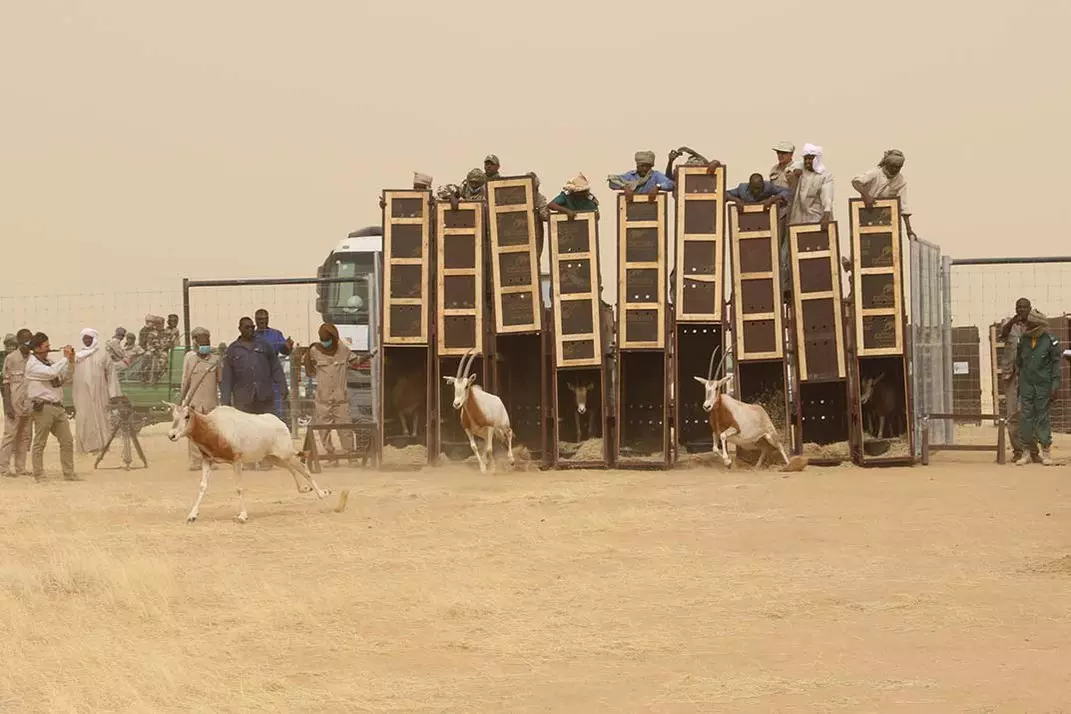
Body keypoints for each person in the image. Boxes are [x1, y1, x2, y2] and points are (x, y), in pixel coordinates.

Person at [24, 333, 79, 481]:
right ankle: (39, 474)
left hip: (57, 406)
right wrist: (65, 358)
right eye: (46, 346)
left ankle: (69, 473)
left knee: (67, 440)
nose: (49, 349)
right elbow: (52, 373)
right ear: (37, 348)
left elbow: (66, 378)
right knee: (40, 442)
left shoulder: (49, 362)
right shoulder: (32, 365)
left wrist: (71, 362)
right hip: (43, 407)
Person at [1015, 309, 1060, 466]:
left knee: (1042, 418)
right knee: (1026, 418)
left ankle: (1046, 452)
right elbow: (1019, 364)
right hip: (1027, 385)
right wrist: (1020, 385)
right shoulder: (1023, 341)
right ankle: (1026, 452)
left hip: (1044, 386)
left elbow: (1055, 366)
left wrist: (1054, 386)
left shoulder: (1050, 341)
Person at [303, 323, 353, 461]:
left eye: (327, 339)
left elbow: (355, 360)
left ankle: (350, 455)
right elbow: (307, 365)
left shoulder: (342, 349)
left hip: (340, 398)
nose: (325, 343)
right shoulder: (314, 350)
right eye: (322, 339)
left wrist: (369, 356)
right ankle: (331, 455)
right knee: (323, 429)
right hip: (323, 398)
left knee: (345, 427)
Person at [221, 316, 288, 416]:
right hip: (243, 399)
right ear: (240, 329)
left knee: (266, 427)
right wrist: (225, 401)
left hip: (264, 396)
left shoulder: (264, 345)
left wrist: (283, 386)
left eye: (252, 327)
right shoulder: (233, 349)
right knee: (245, 428)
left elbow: (275, 367)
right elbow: (227, 377)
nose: (250, 330)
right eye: (247, 327)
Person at [851, 149, 918, 240]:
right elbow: (856, 182)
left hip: (885, 218)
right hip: (867, 213)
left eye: (898, 167)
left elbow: (903, 206)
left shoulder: (900, 180)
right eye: (893, 166)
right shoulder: (876, 173)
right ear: (887, 164)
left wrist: (909, 229)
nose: (895, 169)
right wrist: (867, 196)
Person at [180, 326, 222, 471]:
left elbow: (220, 381)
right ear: (195, 344)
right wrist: (181, 402)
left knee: (211, 432)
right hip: (194, 403)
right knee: (193, 432)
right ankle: (196, 461)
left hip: (211, 402)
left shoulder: (216, 360)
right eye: (201, 344)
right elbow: (185, 382)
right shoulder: (190, 360)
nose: (204, 347)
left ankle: (211, 459)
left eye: (206, 343)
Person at [999, 298, 1032, 462]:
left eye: (1025, 307)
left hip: (1029, 375)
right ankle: (1017, 450)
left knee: (1029, 413)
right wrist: (1013, 320)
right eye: (1019, 307)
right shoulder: (1009, 324)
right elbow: (1002, 334)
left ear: (1030, 309)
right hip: (1011, 374)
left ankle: (1032, 451)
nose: (1021, 310)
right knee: (1012, 414)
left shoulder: (1035, 325)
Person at [72, 328, 113, 454]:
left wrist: (113, 394)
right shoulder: (77, 356)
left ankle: (102, 446)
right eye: (85, 338)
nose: (87, 340)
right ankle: (85, 447)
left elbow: (111, 375)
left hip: (100, 393)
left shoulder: (102, 354)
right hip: (82, 394)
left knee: (101, 417)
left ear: (94, 339)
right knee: (84, 417)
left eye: (89, 338)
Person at [1, 328, 34, 477]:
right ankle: (3, 467)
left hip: (29, 403)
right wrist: (7, 404)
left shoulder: (33, 359)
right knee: (10, 435)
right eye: (25, 339)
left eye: (30, 339)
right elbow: (6, 383)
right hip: (14, 403)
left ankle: (20, 467)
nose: (28, 342)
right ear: (19, 342)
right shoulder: (11, 358)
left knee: (24, 436)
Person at [253, 308, 293, 421]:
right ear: (255, 320)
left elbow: (285, 350)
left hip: (273, 376)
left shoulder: (275, 334)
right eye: (260, 319)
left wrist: (287, 346)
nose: (262, 322)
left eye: (265, 319)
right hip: (256, 378)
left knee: (276, 410)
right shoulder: (251, 335)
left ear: (268, 319)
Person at [789, 143, 834, 227]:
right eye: (805, 159)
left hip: (816, 217)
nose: (807, 162)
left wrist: (826, 214)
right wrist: (795, 172)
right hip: (799, 218)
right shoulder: (801, 170)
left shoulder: (825, 176)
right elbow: (789, 170)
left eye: (810, 159)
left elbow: (827, 197)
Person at [607, 150, 675, 200]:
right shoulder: (631, 176)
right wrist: (625, 187)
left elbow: (671, 184)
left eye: (647, 166)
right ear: (637, 166)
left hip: (651, 212)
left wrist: (658, 187)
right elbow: (612, 182)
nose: (645, 169)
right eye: (642, 166)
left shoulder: (655, 175)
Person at [726, 173, 794, 210]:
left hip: (764, 216)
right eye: (753, 188)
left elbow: (787, 192)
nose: (756, 191)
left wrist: (772, 199)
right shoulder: (742, 189)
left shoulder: (768, 186)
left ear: (763, 185)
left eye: (758, 188)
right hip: (746, 216)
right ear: (749, 185)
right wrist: (736, 200)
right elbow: (725, 194)